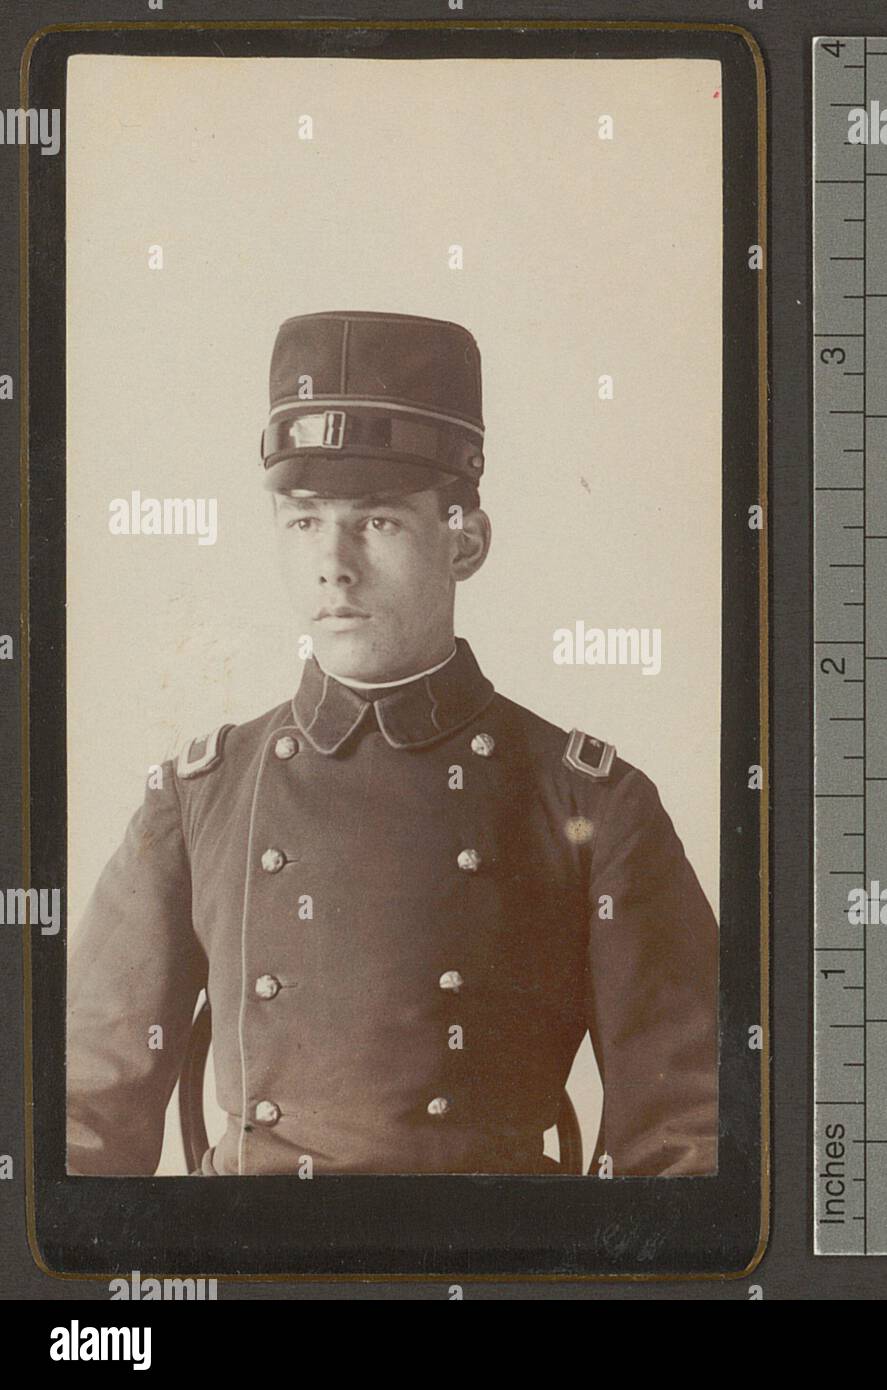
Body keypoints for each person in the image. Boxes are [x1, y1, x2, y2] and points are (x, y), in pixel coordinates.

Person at [66, 310, 719, 1178]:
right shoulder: (198, 797)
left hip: (491, 1275)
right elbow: (80, 1118)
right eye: (302, 522)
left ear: (467, 542)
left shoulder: (591, 802)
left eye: (377, 522)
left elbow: (690, 1130)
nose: (332, 565)